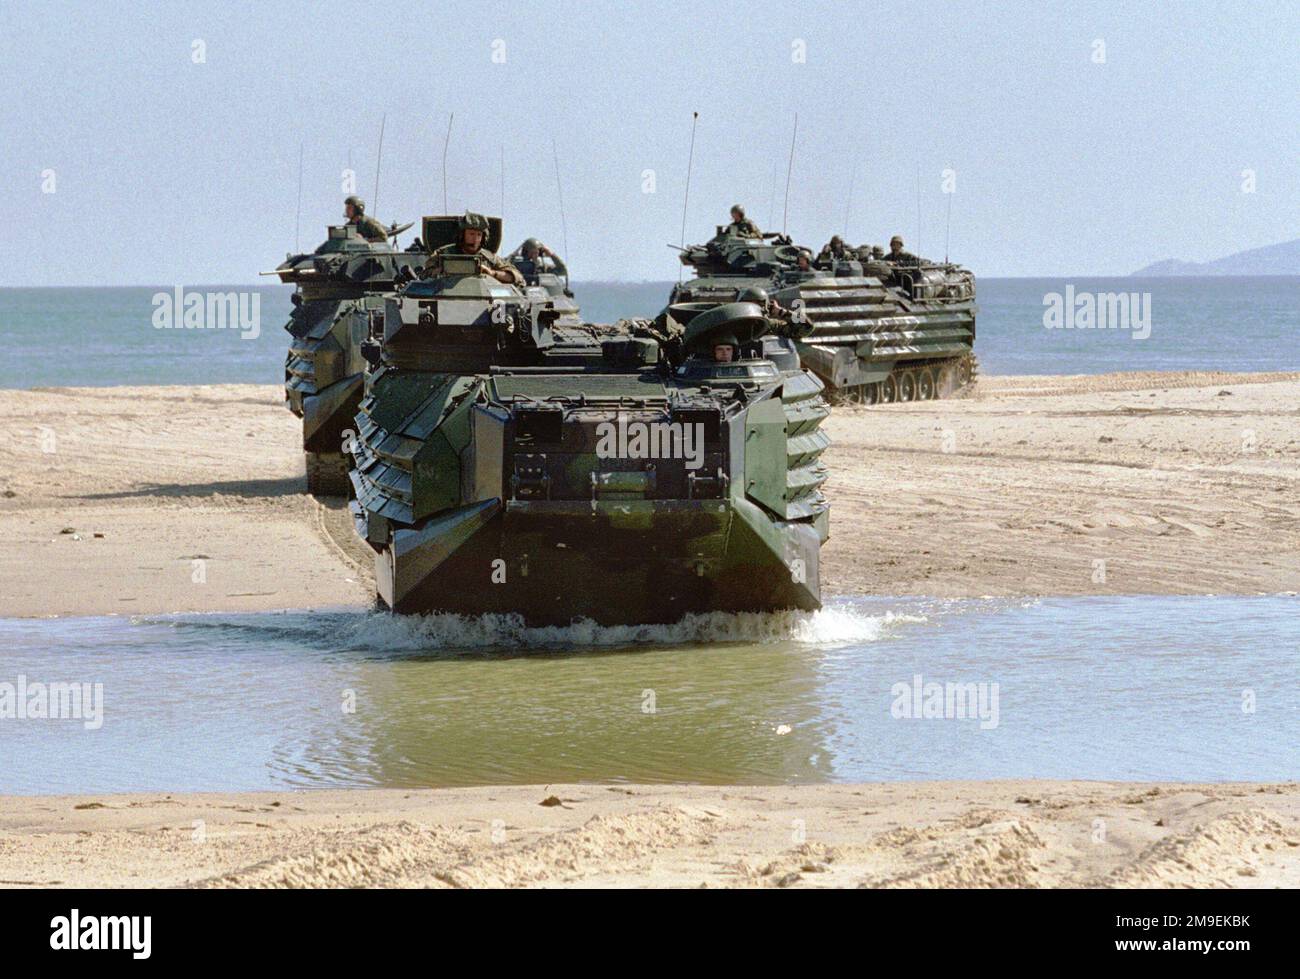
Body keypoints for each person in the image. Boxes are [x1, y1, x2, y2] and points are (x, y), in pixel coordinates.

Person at [426, 211, 523, 286]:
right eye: (471, 234)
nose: (475, 239)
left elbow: (517, 278)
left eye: (479, 235)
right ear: (462, 235)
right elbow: (425, 275)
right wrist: (442, 270)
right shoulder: (444, 253)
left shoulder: (490, 258)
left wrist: (491, 273)